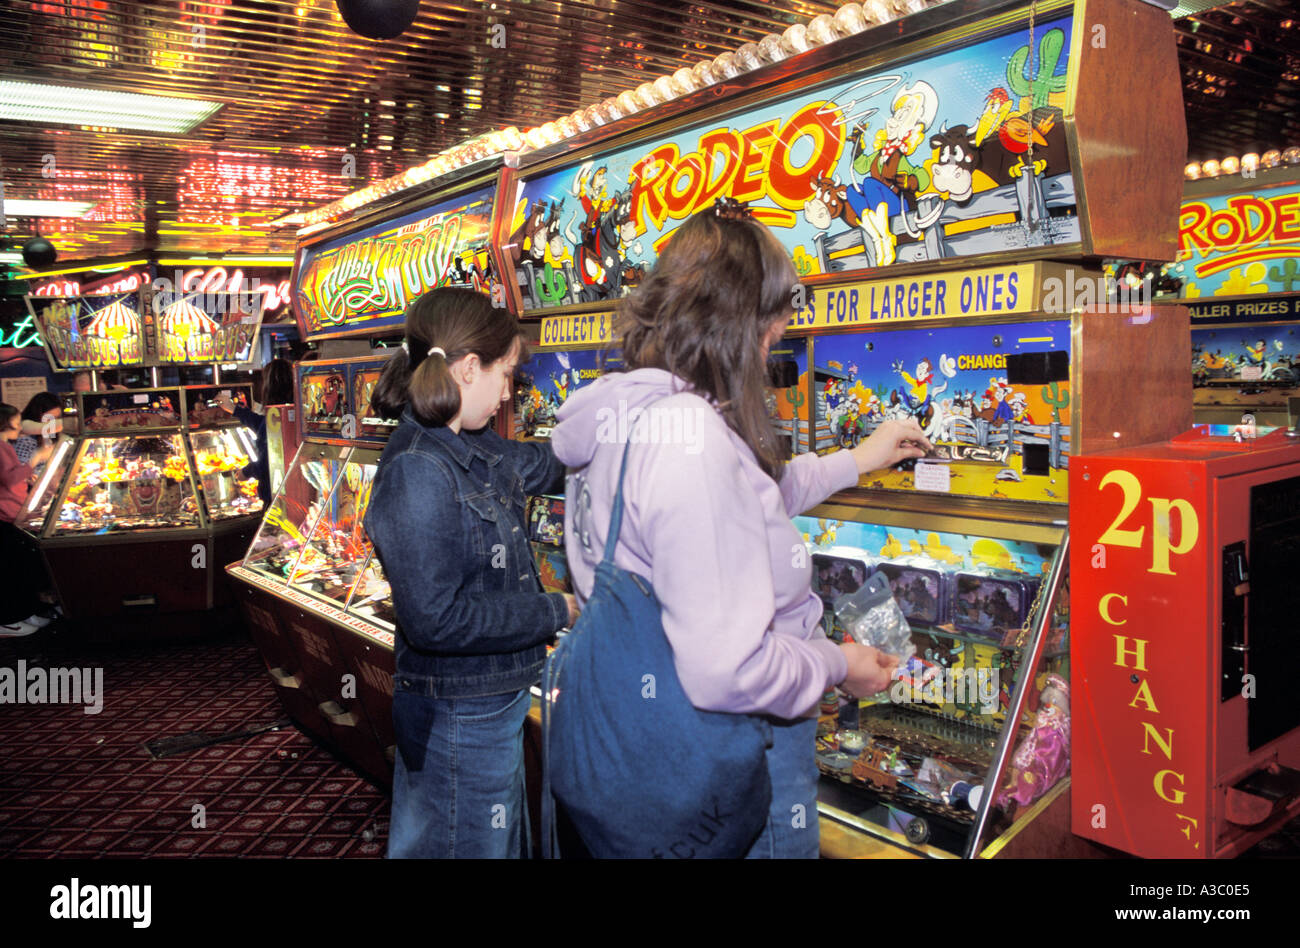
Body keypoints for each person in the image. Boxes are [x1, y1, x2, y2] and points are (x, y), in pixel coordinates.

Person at [549, 202, 932, 858]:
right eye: (772, 325)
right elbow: (728, 669)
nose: (775, 341)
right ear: (736, 322)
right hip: (726, 743)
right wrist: (839, 663)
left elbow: (735, 501)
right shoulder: (691, 437)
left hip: (641, 725)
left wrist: (857, 460)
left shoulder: (625, 413)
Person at [364, 287, 579, 859]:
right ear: (466, 369)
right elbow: (437, 620)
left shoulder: (469, 445)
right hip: (458, 715)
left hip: (487, 705)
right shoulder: (419, 467)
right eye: (505, 374)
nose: (510, 391)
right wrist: (558, 610)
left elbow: (543, 465)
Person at [1, 403, 57, 637]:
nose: (20, 424)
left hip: (14, 513)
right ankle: (10, 619)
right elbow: (9, 479)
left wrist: (28, 473)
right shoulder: (1, 447)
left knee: (21, 569)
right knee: (13, 570)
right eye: (17, 420)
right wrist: (35, 460)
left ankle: (26, 612)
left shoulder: (6, 446)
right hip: (7, 516)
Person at [217, 358, 294, 505]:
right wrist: (234, 409)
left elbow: (268, 462)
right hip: (291, 493)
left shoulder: (277, 416)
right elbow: (261, 424)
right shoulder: (290, 412)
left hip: (276, 498)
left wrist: (245, 473)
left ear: (270, 386)